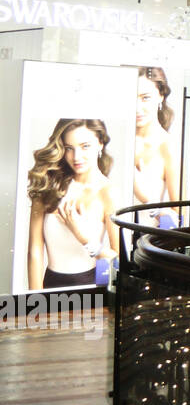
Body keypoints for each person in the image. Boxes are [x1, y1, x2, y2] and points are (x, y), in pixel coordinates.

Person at [26, 118, 119, 291]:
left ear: (100, 143)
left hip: (91, 288)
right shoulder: (47, 184)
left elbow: (118, 260)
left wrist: (83, 236)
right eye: (69, 148)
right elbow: (34, 252)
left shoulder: (107, 192)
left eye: (85, 146)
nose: (76, 157)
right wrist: (34, 299)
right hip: (50, 285)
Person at [133, 66, 180, 229]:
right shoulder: (116, 143)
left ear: (161, 96)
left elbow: (178, 218)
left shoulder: (167, 146)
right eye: (132, 98)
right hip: (117, 245)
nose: (137, 107)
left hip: (149, 245)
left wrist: (149, 201)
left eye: (145, 98)